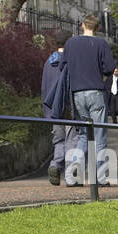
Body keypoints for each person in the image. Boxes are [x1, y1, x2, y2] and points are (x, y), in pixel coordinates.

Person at [62, 14, 118, 185]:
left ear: (82, 25)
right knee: (99, 136)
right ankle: (100, 178)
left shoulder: (71, 43)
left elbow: (63, 65)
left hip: (77, 93)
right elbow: (109, 68)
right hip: (95, 92)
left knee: (83, 136)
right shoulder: (101, 44)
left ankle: (73, 177)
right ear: (98, 28)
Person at [40, 33, 71, 186]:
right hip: (69, 107)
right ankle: (72, 173)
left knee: (59, 140)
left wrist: (47, 111)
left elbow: (44, 87)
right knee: (74, 139)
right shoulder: (70, 61)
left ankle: (55, 165)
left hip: (54, 110)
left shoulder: (48, 62)